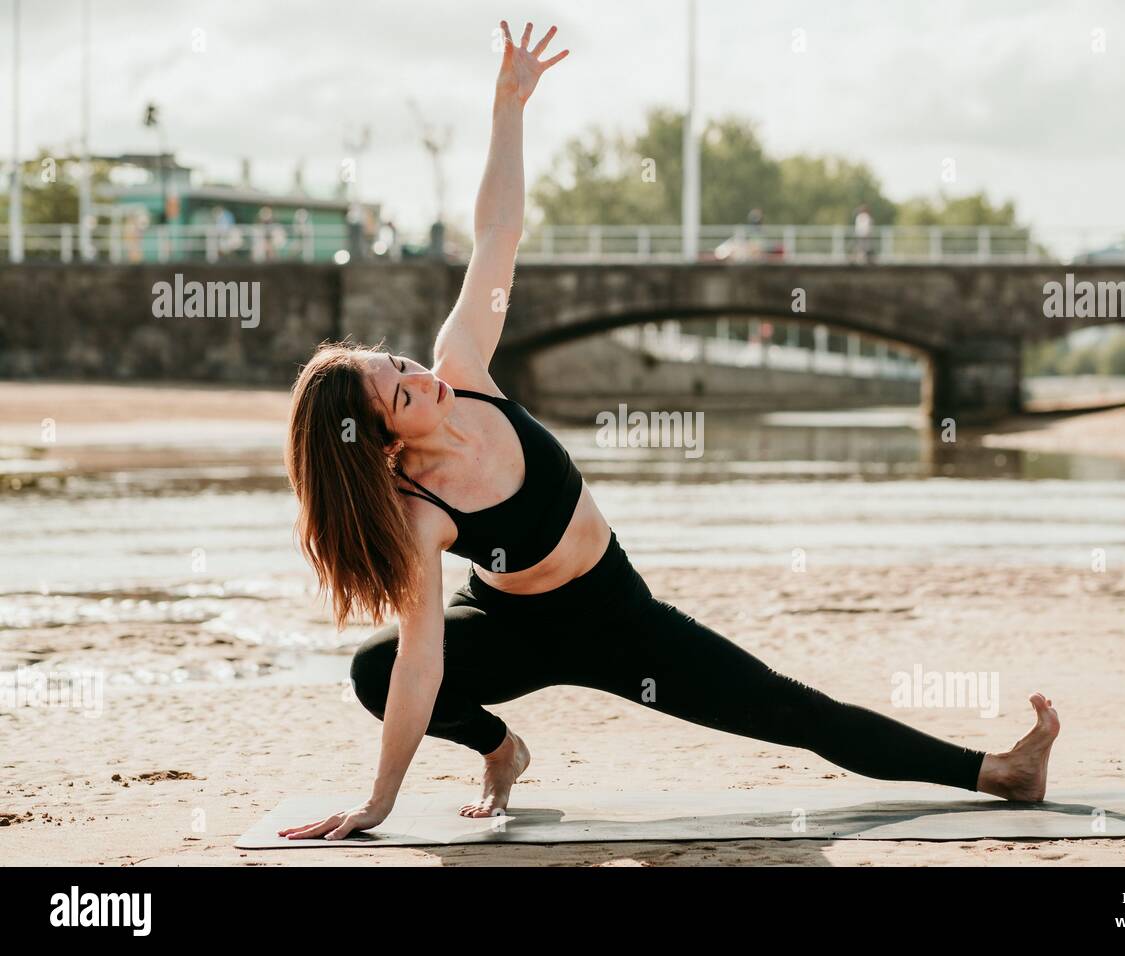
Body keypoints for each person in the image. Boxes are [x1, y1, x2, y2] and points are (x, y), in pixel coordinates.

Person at [277, 20, 1059, 842]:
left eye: (399, 362)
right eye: (400, 397)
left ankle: (1000, 771)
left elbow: (497, 236)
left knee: (791, 711)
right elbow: (422, 662)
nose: (420, 379)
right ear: (386, 443)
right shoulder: (419, 512)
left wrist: (507, 109)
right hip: (510, 633)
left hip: (618, 618)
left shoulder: (464, 366)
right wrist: (382, 801)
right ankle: (503, 749)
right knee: (375, 668)